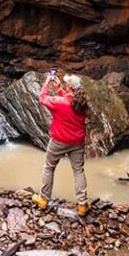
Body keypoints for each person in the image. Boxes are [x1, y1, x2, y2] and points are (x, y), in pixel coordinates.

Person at [32, 73, 90, 216]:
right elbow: (71, 102)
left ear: (69, 87)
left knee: (49, 168)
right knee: (78, 171)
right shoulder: (82, 104)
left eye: (65, 85)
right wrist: (59, 90)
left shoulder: (59, 103)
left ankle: (43, 199)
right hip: (77, 142)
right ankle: (82, 205)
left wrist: (47, 82)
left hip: (58, 141)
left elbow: (42, 98)